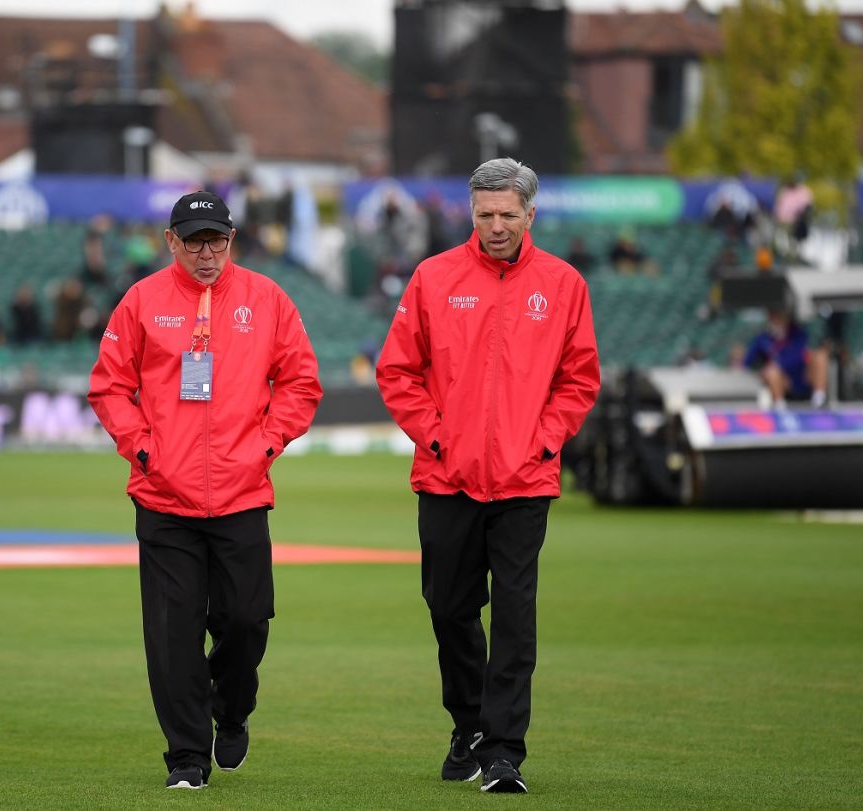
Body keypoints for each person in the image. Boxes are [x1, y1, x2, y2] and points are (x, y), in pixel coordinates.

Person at [375, 158, 600, 795]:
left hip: (525, 480)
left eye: (507, 215)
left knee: (516, 618)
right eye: (485, 215)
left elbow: (579, 378)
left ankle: (504, 752)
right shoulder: (433, 277)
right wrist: (438, 436)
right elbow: (397, 371)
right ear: (469, 214)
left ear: (531, 215)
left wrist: (545, 439)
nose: (496, 226)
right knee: (448, 607)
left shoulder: (563, 284)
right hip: (448, 476)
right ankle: (468, 723)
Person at [88, 190, 322, 791]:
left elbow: (300, 382)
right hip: (164, 498)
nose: (206, 253)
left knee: (247, 622)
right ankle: (187, 757)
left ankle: (232, 707)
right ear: (171, 242)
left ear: (232, 238)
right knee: (172, 635)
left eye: (216, 240)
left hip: (243, 493)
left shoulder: (267, 299)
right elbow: (109, 386)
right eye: (193, 242)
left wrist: (264, 447)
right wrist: (143, 450)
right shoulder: (141, 301)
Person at [742, 307, 828, 408]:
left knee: (820, 356)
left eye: (779, 317)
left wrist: (779, 364)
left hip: (801, 377)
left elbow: (798, 357)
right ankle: (780, 407)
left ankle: (819, 399)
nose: (775, 321)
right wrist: (762, 371)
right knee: (772, 371)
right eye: (773, 317)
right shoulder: (763, 338)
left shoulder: (798, 333)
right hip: (782, 382)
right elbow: (747, 362)